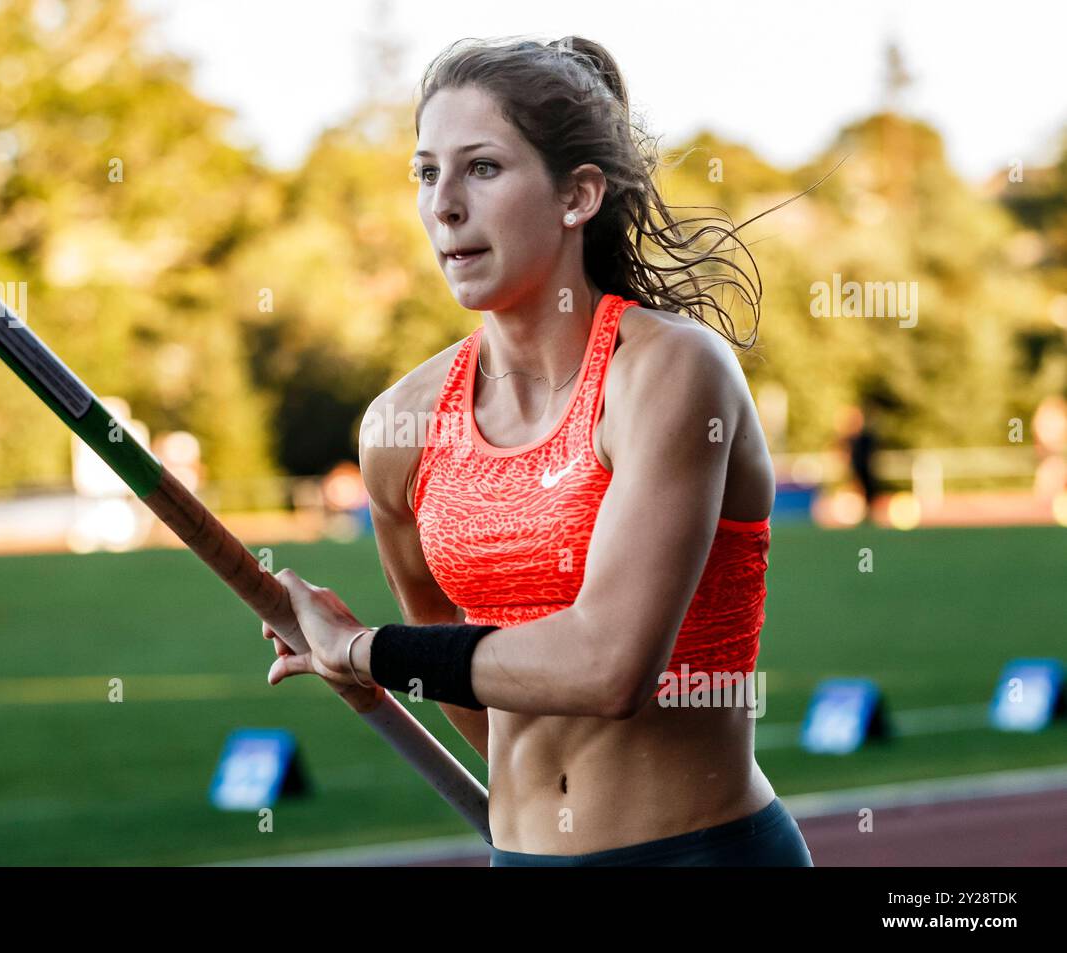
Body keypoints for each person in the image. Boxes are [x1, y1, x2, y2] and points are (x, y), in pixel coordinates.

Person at [261, 35, 812, 867]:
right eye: (425, 172)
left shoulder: (667, 374)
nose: (444, 204)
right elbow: (444, 638)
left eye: (481, 167)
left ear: (576, 196)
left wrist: (365, 652)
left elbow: (609, 668)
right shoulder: (398, 429)